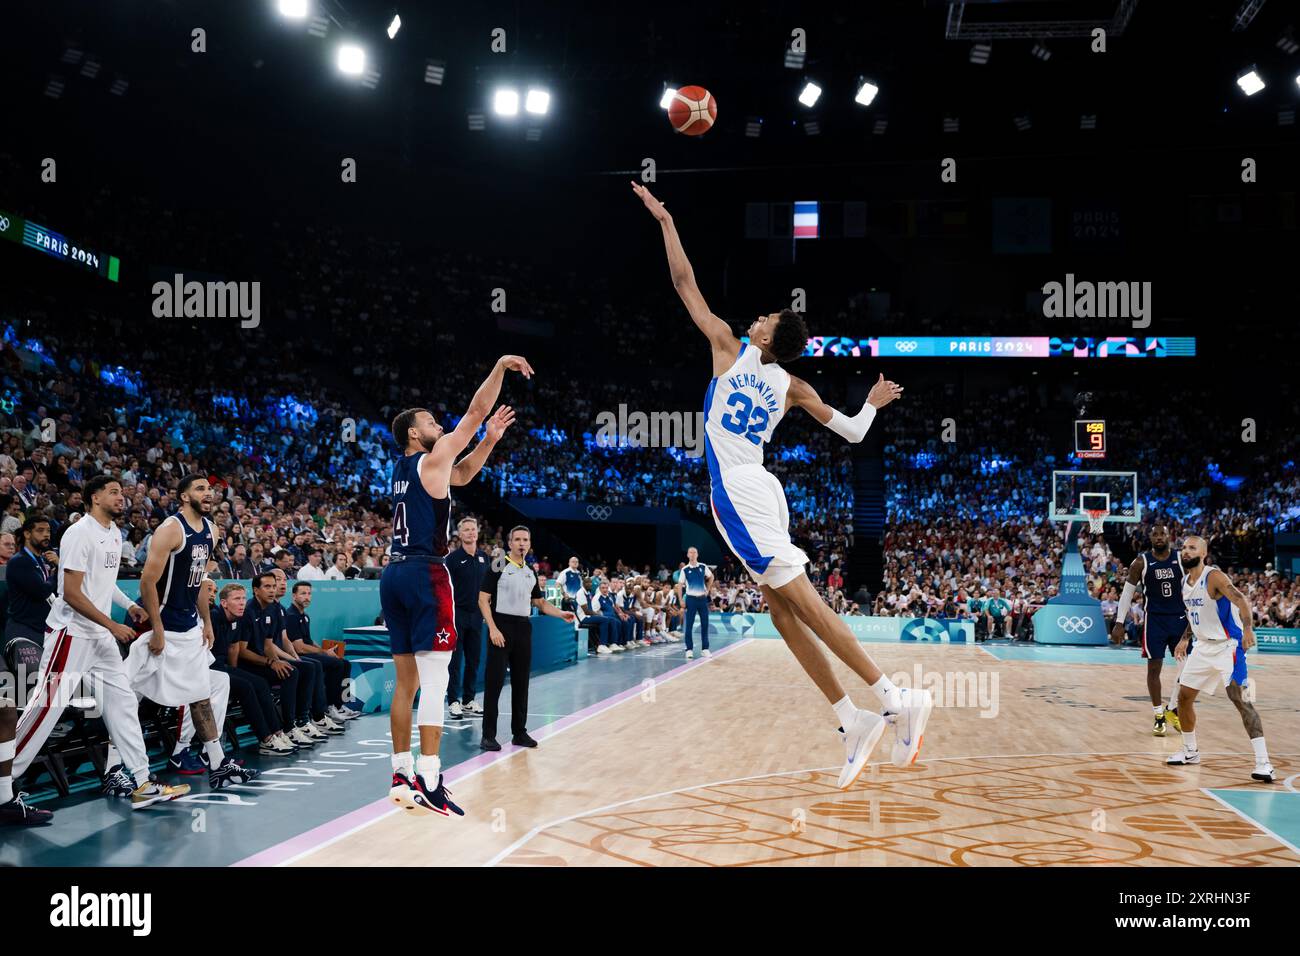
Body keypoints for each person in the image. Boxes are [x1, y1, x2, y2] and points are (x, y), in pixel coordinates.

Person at [633, 182, 932, 788]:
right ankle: (852, 720)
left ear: (764, 338)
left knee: (804, 604)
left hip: (740, 490)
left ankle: (893, 698)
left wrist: (666, 221)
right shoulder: (794, 385)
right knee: (780, 610)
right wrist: (871, 404)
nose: (760, 316)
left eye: (766, 317)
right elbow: (850, 432)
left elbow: (683, 284)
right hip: (764, 487)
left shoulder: (728, 348)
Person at [382, 359, 526, 817]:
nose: (437, 424)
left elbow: (461, 476)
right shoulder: (432, 455)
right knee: (436, 682)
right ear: (412, 433)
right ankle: (430, 777)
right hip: (426, 573)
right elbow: (474, 410)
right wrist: (501, 366)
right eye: (429, 421)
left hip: (393, 575)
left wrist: (488, 442)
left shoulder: (407, 468)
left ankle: (401, 773)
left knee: (405, 684)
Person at [11, 475, 189, 809]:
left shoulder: (113, 534)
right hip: (72, 635)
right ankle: (3, 784)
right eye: (113, 492)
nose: (121, 497)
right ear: (94, 498)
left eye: (122, 492)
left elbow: (105, 585)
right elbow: (72, 595)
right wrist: (112, 625)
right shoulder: (79, 534)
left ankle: (143, 780)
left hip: (100, 639)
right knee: (44, 710)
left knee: (123, 704)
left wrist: (130, 606)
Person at [127, 474, 258, 789]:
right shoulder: (170, 529)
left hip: (188, 627)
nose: (208, 493)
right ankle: (116, 769)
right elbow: (146, 581)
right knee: (128, 696)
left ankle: (218, 764)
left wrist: (207, 623)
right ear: (183, 496)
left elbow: (199, 581)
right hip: (160, 626)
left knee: (201, 696)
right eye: (200, 488)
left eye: (210, 489)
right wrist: (156, 628)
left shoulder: (211, 531)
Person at [1166, 536, 1274, 782]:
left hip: (1229, 647)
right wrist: (1185, 638)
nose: (1185, 551)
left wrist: (1248, 629)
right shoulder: (1185, 582)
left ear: (1204, 553)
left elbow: (1240, 599)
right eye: (1183, 547)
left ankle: (1264, 763)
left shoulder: (1213, 576)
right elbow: (1195, 616)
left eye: (1192, 547)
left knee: (1240, 699)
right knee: (1184, 697)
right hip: (1202, 647)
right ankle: (1190, 752)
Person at [477, 526, 575, 751]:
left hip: (523, 628)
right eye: (517, 539)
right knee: (494, 684)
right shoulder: (499, 564)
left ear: (529, 544)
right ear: (509, 543)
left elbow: (539, 603)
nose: (521, 543)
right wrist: (492, 628)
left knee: (522, 684)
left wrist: (560, 613)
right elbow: (483, 599)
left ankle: (519, 733)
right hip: (500, 626)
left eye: (525, 540)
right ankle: (488, 736)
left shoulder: (530, 569)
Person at [1109, 525, 1187, 736]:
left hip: (1180, 619)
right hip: (1154, 621)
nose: (1159, 537)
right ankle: (1159, 714)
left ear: (1169, 537)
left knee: (1187, 670)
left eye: (1163, 534)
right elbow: (1126, 594)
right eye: (1155, 534)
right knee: (1154, 669)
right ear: (1150, 537)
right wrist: (1119, 622)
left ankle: (1173, 707)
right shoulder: (1141, 562)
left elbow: (1194, 586)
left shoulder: (1181, 559)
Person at [285, 581, 356, 725]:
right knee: (336, 664)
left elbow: (309, 641)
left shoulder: (305, 616)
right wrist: (323, 652)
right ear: (294, 596)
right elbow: (299, 647)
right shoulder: (291, 616)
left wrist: (326, 651)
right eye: (303, 593)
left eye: (309, 593)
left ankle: (340, 704)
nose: (307, 597)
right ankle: (329, 706)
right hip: (299, 656)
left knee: (345, 663)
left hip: (307, 651)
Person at [446, 516, 492, 719]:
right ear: (460, 534)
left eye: (473, 529)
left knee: (474, 660)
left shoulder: (484, 557)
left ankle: (468, 700)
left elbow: (489, 588)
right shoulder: (452, 559)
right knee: (456, 661)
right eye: (466, 530)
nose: (470, 533)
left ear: (477, 532)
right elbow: (445, 589)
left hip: (477, 616)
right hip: (457, 616)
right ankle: (453, 701)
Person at [676, 547, 713, 659]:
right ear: (687, 555)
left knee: (705, 624)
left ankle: (705, 649)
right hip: (691, 599)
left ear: (697, 554)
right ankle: (689, 649)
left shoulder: (703, 566)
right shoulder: (685, 569)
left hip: (702, 599)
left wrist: (707, 589)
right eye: (690, 552)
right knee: (689, 625)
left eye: (694, 552)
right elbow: (680, 585)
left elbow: (711, 577)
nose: (692, 554)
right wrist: (681, 600)